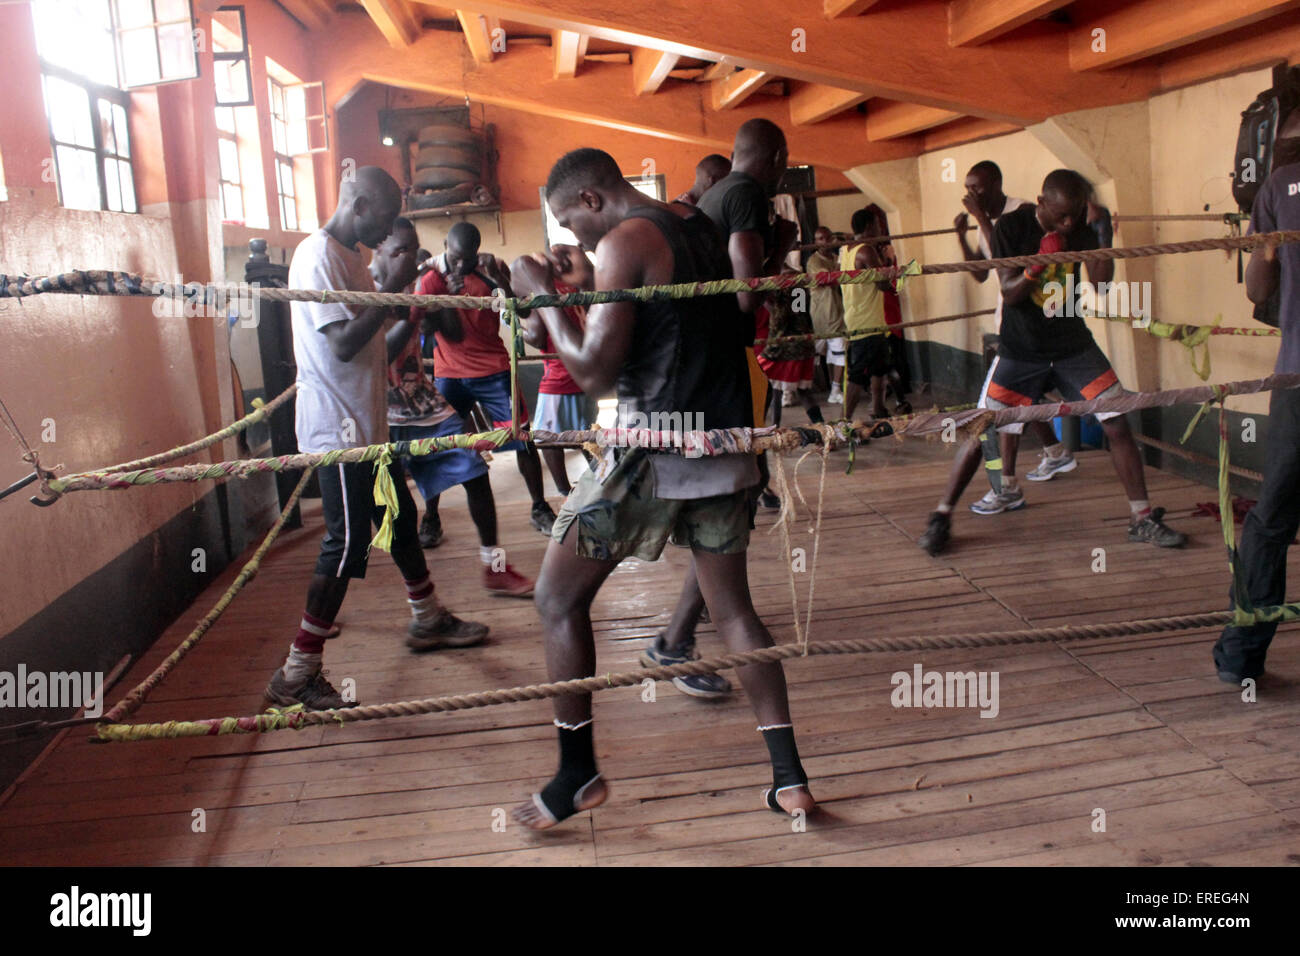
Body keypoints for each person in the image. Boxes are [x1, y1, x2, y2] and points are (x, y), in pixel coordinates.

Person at [508, 148, 815, 828]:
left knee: (555, 599)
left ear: (592, 200)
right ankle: (790, 780)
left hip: (654, 445)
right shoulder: (696, 224)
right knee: (734, 613)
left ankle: (576, 773)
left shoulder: (625, 240)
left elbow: (593, 374)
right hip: (726, 444)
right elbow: (725, 321)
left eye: (569, 222)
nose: (572, 239)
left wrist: (540, 294)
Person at [265, 168, 488, 711]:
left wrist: (407, 310)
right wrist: (391, 291)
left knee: (402, 519)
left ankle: (428, 616)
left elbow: (372, 352)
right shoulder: (318, 257)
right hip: (336, 430)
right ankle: (297, 670)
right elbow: (341, 344)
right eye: (385, 220)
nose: (388, 233)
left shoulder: (351, 261)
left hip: (367, 422)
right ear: (359, 205)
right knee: (346, 543)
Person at [917, 169, 1188, 556]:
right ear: (1041, 203)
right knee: (983, 430)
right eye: (1060, 216)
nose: (1067, 223)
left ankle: (1141, 518)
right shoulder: (1012, 227)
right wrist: (1038, 264)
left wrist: (1101, 233)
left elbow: (1101, 283)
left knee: (1117, 421)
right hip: (1021, 351)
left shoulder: (1078, 225)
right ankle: (940, 517)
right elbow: (1009, 292)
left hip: (1073, 346)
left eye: (1073, 216)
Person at [647, 117, 798, 698]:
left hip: (696, 373)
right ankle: (675, 639)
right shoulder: (747, 195)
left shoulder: (718, 193)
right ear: (777, 157)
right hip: (709, 377)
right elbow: (744, 294)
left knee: (726, 506)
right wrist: (777, 256)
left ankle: (677, 636)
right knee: (723, 506)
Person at [375, 218, 534, 597]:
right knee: (381, 513)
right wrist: (421, 304)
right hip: (378, 406)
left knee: (478, 471)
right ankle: (413, 594)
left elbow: (489, 319)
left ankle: (495, 566)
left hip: (423, 399)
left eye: (414, 251)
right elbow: (381, 352)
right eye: (400, 251)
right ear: (378, 250)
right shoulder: (373, 290)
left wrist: (477, 284)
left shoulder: (435, 279)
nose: (410, 258)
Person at [1212, 114, 1300, 684]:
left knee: (1271, 521)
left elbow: (1256, 289)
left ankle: (1242, 656)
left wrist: (1264, 244)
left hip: (1297, 379)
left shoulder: (1278, 186)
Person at [419, 221, 558, 536]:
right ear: (445, 246)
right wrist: (445, 300)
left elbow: (517, 313)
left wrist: (499, 281)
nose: (459, 264)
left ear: (476, 253)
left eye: (465, 258)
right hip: (449, 374)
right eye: (454, 257)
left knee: (522, 438)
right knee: (438, 444)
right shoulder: (429, 278)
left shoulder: (491, 268)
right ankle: (431, 517)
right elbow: (424, 328)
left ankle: (539, 507)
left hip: (493, 369)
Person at [956, 161, 1074, 514]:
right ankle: (1055, 453)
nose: (971, 194)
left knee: (999, 408)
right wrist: (963, 235)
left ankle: (1006, 485)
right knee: (1022, 397)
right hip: (1009, 322)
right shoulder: (988, 223)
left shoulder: (1022, 212)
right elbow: (981, 272)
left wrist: (981, 220)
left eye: (977, 187)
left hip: (1031, 326)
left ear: (996, 185)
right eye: (968, 187)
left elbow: (1006, 259)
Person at [519, 277, 590, 496]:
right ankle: (607, 480)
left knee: (546, 437)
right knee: (583, 434)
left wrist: (514, 323)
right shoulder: (575, 284)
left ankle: (565, 492)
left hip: (561, 374)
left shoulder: (541, 288)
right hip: (585, 370)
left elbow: (538, 338)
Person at [840, 207, 894, 420]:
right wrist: (888, 263)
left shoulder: (846, 249)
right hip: (866, 321)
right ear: (870, 226)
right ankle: (843, 422)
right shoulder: (866, 251)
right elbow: (883, 285)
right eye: (878, 224)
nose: (881, 228)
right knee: (857, 375)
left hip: (863, 316)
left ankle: (878, 409)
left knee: (878, 369)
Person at [807, 226, 847, 404]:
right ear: (815, 242)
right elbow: (828, 278)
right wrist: (843, 259)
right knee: (832, 353)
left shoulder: (835, 258)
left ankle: (835, 388)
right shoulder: (814, 261)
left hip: (837, 310)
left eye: (827, 238)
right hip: (822, 313)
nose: (824, 242)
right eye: (820, 239)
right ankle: (833, 389)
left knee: (837, 352)